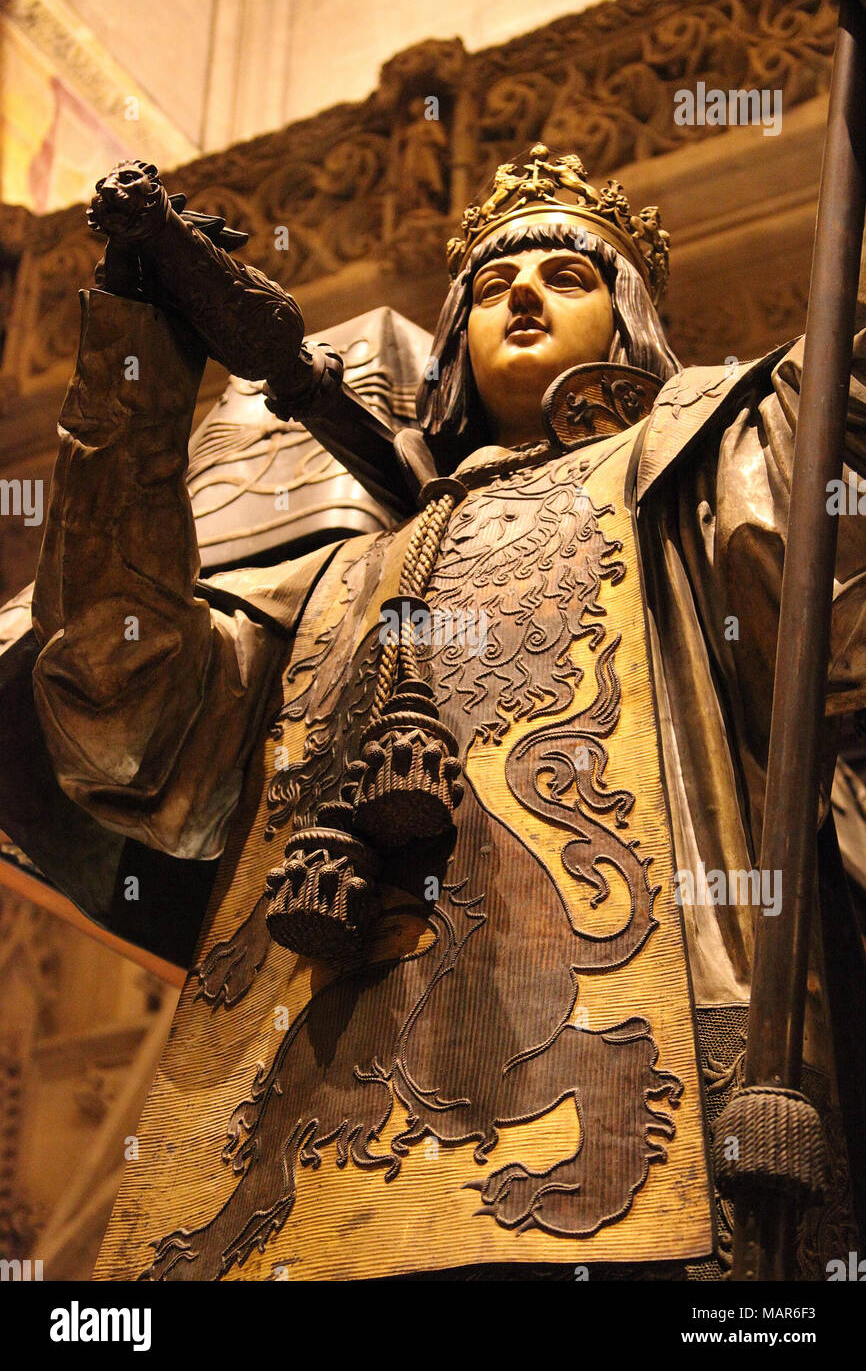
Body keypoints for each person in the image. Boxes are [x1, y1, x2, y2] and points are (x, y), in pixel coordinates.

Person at [29, 146, 866, 1280]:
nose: (520, 292)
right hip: (288, 1192)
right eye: (488, 282)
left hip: (657, 1141)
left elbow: (824, 539)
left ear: (628, 324)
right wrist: (134, 382)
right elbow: (128, 729)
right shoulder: (342, 572)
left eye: (568, 274)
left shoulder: (694, 469)